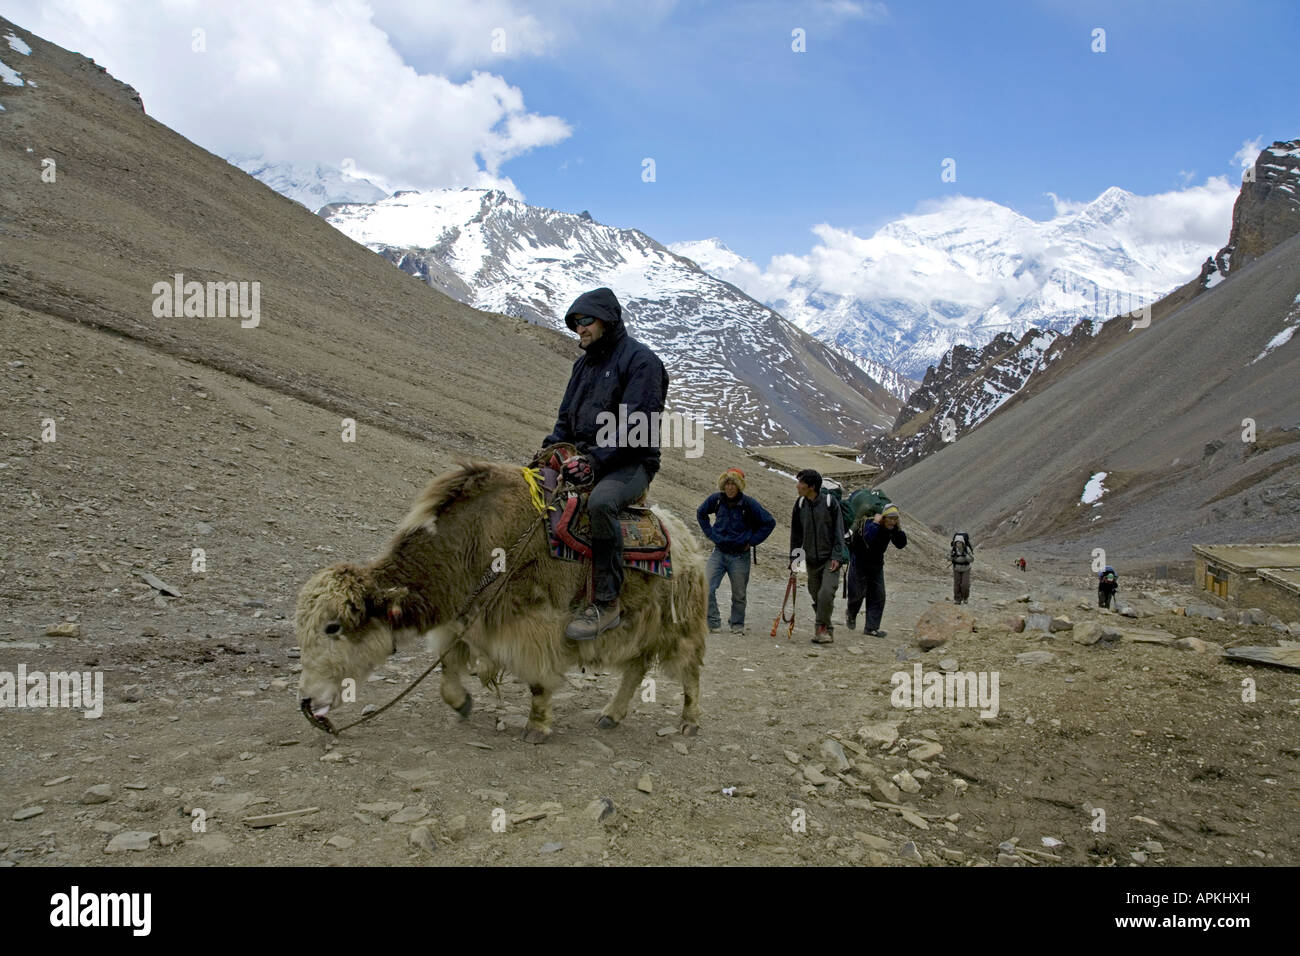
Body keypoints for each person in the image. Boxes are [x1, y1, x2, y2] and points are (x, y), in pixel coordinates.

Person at [542, 287, 669, 641]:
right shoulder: (582, 365)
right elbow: (565, 421)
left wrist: (595, 462)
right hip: (584, 458)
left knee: (600, 504)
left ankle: (605, 602)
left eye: (585, 321)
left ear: (607, 320)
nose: (579, 328)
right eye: (574, 323)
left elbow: (637, 426)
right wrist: (549, 453)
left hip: (630, 463)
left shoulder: (641, 362)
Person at [696, 468, 776, 634]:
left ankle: (737, 624)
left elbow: (769, 522)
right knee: (706, 587)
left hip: (740, 555)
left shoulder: (749, 504)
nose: (730, 487)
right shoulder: (716, 500)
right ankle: (713, 622)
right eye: (727, 483)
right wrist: (710, 533)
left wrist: (752, 541)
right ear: (723, 485)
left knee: (739, 594)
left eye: (733, 484)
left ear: (739, 486)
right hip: (718, 552)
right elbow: (701, 513)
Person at [789, 469, 847, 644]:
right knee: (816, 595)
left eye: (801, 483)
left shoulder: (830, 503)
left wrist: (837, 556)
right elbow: (796, 536)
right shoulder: (800, 505)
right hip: (811, 560)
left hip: (830, 558)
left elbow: (839, 531)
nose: (797, 486)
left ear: (811, 486)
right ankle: (827, 629)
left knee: (826, 594)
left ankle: (820, 629)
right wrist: (795, 561)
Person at [847, 504, 907, 636]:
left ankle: (871, 628)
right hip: (859, 563)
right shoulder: (870, 524)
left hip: (876, 565)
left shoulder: (892, 529)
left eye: (895, 519)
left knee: (878, 596)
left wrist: (899, 529)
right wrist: (875, 523)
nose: (892, 521)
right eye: (890, 518)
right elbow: (868, 538)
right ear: (883, 518)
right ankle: (851, 614)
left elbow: (901, 544)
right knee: (857, 594)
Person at [950, 533, 974, 604]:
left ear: (963, 543)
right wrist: (952, 556)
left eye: (960, 542)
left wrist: (965, 554)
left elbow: (971, 560)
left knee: (965, 585)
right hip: (956, 568)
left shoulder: (967, 549)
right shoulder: (953, 549)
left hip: (966, 568)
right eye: (957, 543)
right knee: (957, 584)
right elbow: (948, 557)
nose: (958, 544)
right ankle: (957, 599)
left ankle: (965, 597)